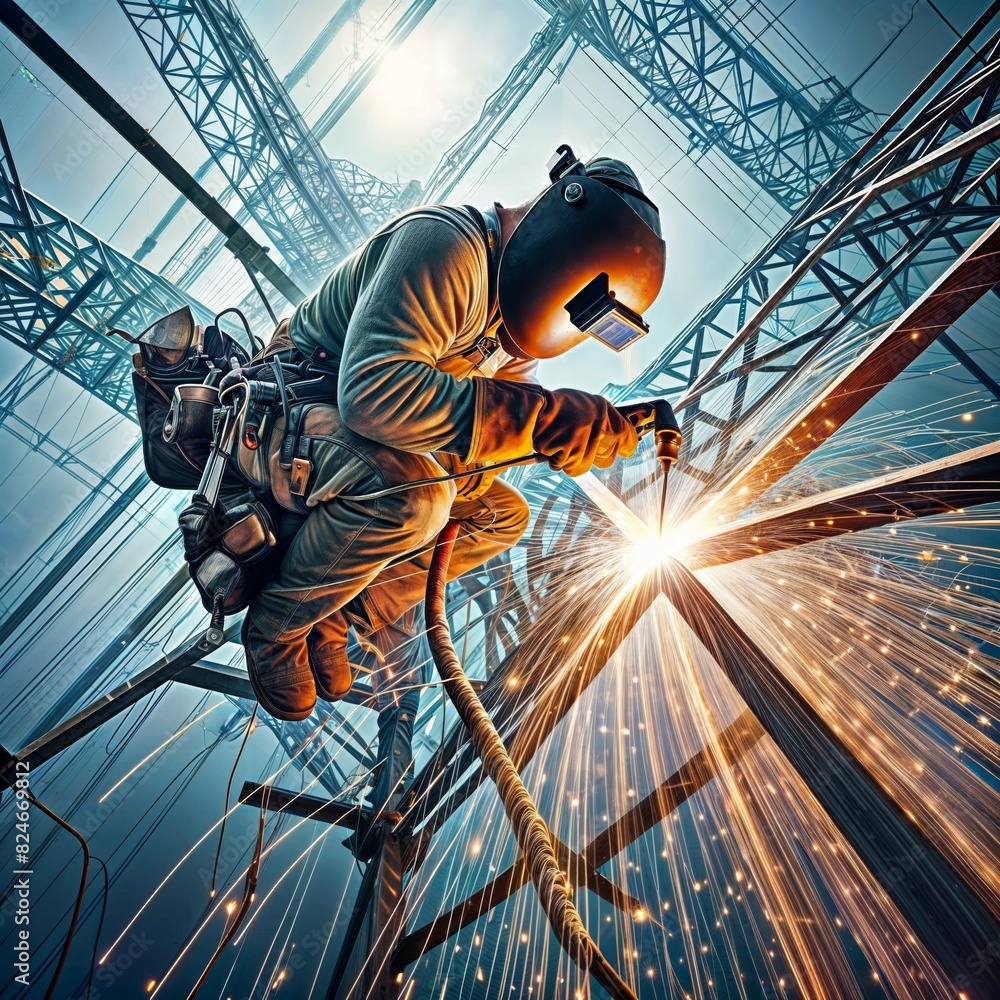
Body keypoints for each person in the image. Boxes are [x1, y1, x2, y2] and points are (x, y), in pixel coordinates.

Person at [240, 144, 666, 766]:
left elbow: (494, 436)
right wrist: (544, 418)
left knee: (501, 516)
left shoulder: (507, 327)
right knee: (420, 499)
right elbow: (372, 396)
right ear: (564, 239)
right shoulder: (447, 246)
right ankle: (276, 624)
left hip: (362, 443)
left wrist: (565, 437)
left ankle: (341, 602)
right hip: (286, 417)